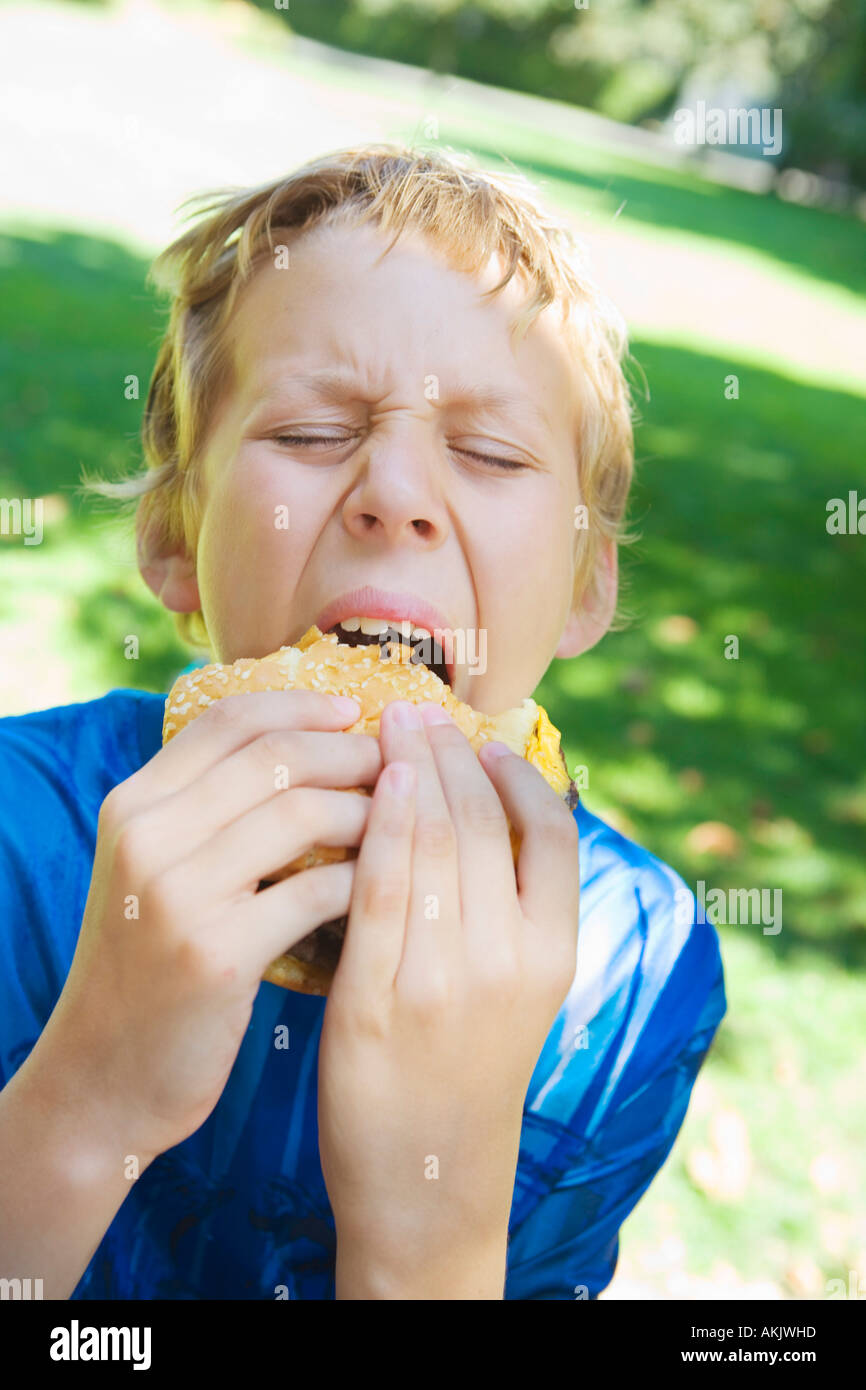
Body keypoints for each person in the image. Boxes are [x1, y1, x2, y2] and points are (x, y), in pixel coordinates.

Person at [0, 143, 725, 1300]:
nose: (394, 493)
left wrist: (431, 1235)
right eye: (309, 433)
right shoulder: (19, 836)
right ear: (177, 535)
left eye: (488, 452)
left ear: (586, 585)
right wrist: (89, 1098)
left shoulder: (632, 978)